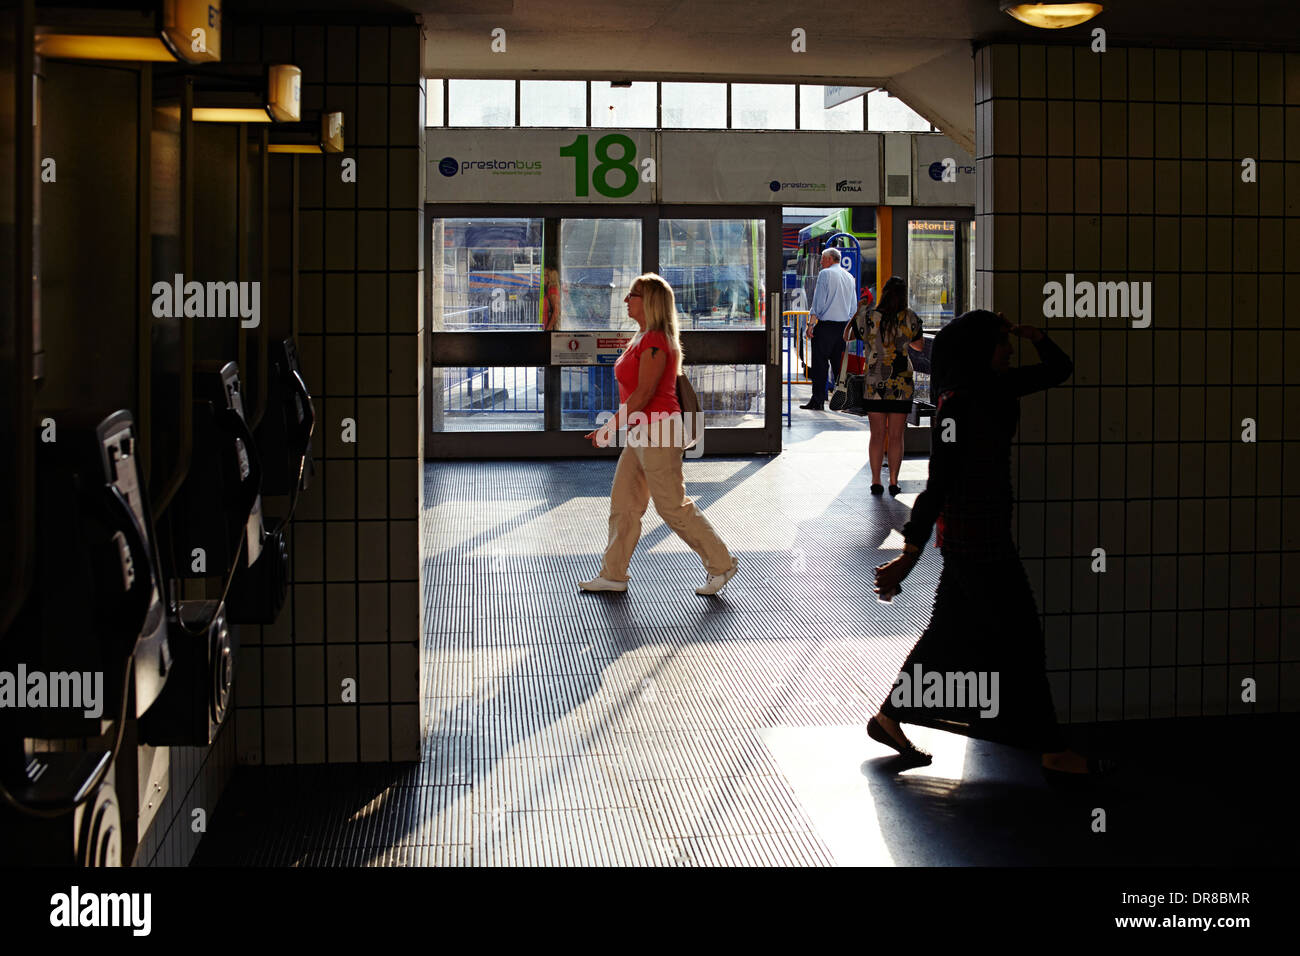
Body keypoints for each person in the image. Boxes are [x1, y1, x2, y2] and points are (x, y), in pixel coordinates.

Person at [867, 310, 1113, 784]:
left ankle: (887, 719)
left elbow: (1058, 368)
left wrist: (1034, 334)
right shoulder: (958, 406)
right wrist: (908, 555)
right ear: (977, 351)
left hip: (979, 539)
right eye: (1001, 343)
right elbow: (938, 484)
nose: (1009, 349)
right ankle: (1053, 749)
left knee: (945, 637)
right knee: (1023, 641)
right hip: (977, 545)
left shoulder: (991, 389)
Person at [578, 273, 739, 597]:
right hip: (642, 432)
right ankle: (613, 574)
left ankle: (721, 564)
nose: (626, 300)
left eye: (633, 295)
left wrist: (609, 428)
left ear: (649, 301)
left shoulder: (655, 341)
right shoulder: (642, 337)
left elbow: (643, 394)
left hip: (659, 432)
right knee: (624, 504)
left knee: (672, 507)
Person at [845, 276, 924, 495]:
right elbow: (919, 346)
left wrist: (859, 311)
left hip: (874, 382)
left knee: (877, 434)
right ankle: (894, 481)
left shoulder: (870, 317)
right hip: (901, 383)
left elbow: (847, 336)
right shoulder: (909, 317)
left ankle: (875, 480)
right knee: (897, 435)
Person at [801, 247, 856, 410]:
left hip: (825, 327)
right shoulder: (849, 277)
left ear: (830, 259)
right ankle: (844, 400)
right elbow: (853, 307)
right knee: (840, 367)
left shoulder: (825, 274)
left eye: (823, 259)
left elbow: (818, 302)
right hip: (843, 328)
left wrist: (811, 324)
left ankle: (818, 400)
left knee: (820, 365)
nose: (820, 262)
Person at [542, 266, 561, 330]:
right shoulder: (549, 289)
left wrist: (548, 328)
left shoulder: (552, 290)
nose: (541, 277)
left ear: (549, 277)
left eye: (544, 275)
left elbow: (556, 312)